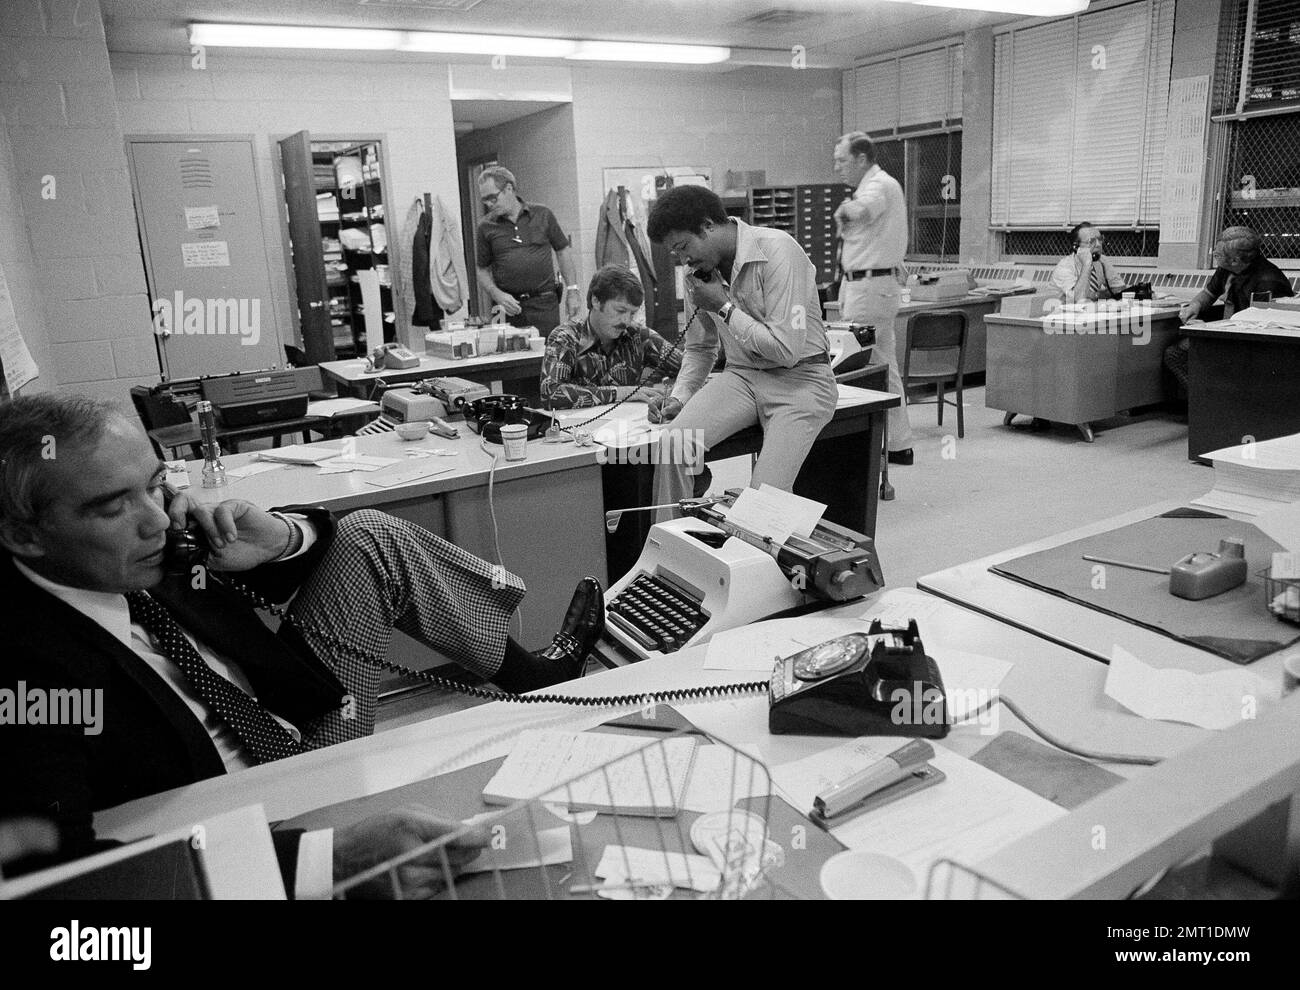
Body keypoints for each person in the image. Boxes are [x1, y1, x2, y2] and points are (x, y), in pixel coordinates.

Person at [0, 393, 604, 882]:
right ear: (24, 536)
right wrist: (323, 859)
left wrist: (282, 538)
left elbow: (297, 558)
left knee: (368, 536)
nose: (158, 519)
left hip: (303, 726)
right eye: (113, 507)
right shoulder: (25, 671)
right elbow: (57, 882)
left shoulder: (140, 551)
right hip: (244, 819)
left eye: (155, 486)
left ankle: (535, 678)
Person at [644, 185, 837, 516]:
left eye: (683, 247)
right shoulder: (698, 274)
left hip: (801, 381)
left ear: (707, 225)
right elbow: (700, 347)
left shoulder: (778, 251)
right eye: (675, 254)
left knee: (762, 499)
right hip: (743, 378)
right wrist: (680, 395)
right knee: (672, 446)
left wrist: (723, 306)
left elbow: (785, 350)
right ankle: (670, 546)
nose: (683, 259)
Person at [832, 131, 914, 466]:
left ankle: (873, 443)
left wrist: (843, 211)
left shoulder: (879, 185)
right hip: (864, 285)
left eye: (842, 159)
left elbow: (858, 213)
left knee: (864, 365)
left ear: (862, 158)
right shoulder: (873, 185)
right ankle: (896, 443)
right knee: (882, 363)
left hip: (870, 288)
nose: (837, 167)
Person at [1165, 226, 1295, 394]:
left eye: (1218, 255)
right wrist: (1194, 305)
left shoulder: (1267, 281)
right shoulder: (1227, 269)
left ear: (1235, 260)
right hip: (1227, 333)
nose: (1214, 256)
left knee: (1175, 355)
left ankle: (1208, 402)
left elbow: (1256, 327)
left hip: (1248, 343)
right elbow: (1208, 293)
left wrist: (1205, 328)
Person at [540, 264, 683, 409]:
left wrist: (674, 394)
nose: (626, 321)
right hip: (578, 429)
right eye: (620, 310)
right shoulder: (566, 337)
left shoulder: (639, 336)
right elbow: (550, 394)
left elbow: (692, 369)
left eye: (632, 313)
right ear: (596, 301)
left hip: (628, 427)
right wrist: (620, 393)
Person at [475, 165, 580, 337]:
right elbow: (482, 270)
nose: (489, 204)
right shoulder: (485, 227)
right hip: (505, 307)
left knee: (548, 357)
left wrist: (573, 291)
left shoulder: (543, 214)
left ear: (509, 188)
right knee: (507, 359)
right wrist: (497, 294)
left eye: (492, 198)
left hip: (544, 305)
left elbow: (563, 251)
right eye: (484, 200)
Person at [1050, 223, 1127, 303]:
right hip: (1060, 313)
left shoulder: (1102, 261)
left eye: (1100, 239)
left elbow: (1120, 289)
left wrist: (1095, 295)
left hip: (1090, 312)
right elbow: (1079, 299)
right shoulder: (1064, 267)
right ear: (1076, 246)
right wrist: (1086, 265)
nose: (1098, 244)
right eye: (1091, 241)